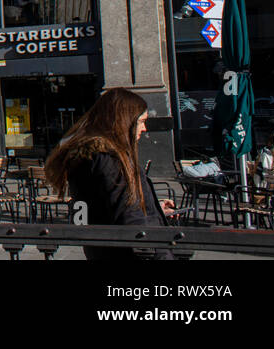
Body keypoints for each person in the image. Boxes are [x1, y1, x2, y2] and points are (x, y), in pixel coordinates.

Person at [44, 87, 176, 261]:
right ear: (125, 121)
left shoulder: (85, 157)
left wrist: (152, 207)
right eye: (141, 121)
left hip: (100, 251)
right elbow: (132, 224)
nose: (144, 128)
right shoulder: (112, 159)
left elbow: (82, 214)